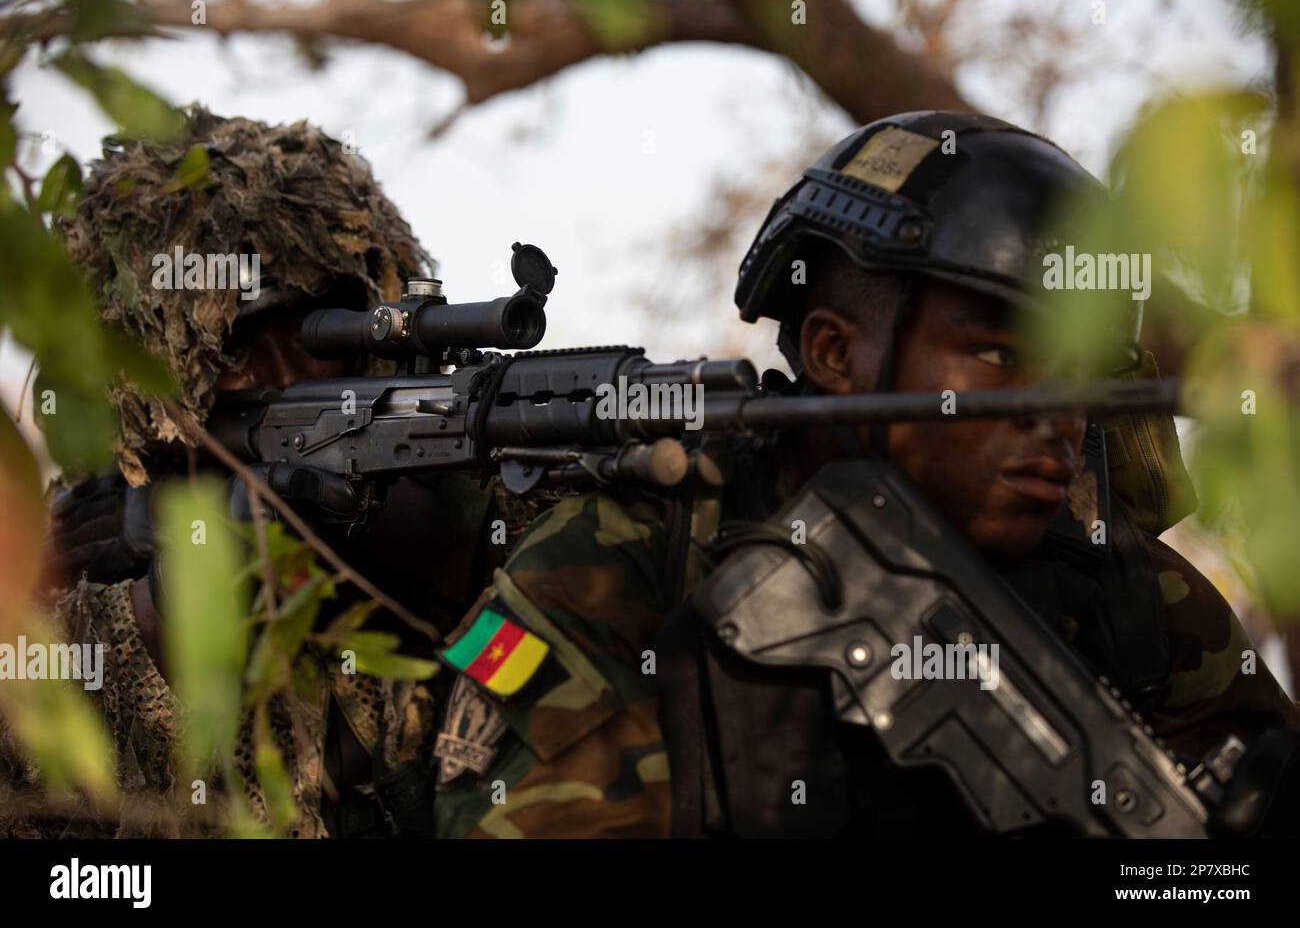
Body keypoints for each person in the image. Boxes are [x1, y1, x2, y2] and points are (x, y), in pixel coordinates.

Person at [431, 111, 1300, 838]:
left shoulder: (1129, 594)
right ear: (836, 354)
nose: (1060, 419)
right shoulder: (626, 555)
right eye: (1001, 354)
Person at [0, 105, 507, 837]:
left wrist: (450, 547)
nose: (290, 377)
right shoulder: (78, 566)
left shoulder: (451, 486)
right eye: (233, 351)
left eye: (320, 336)